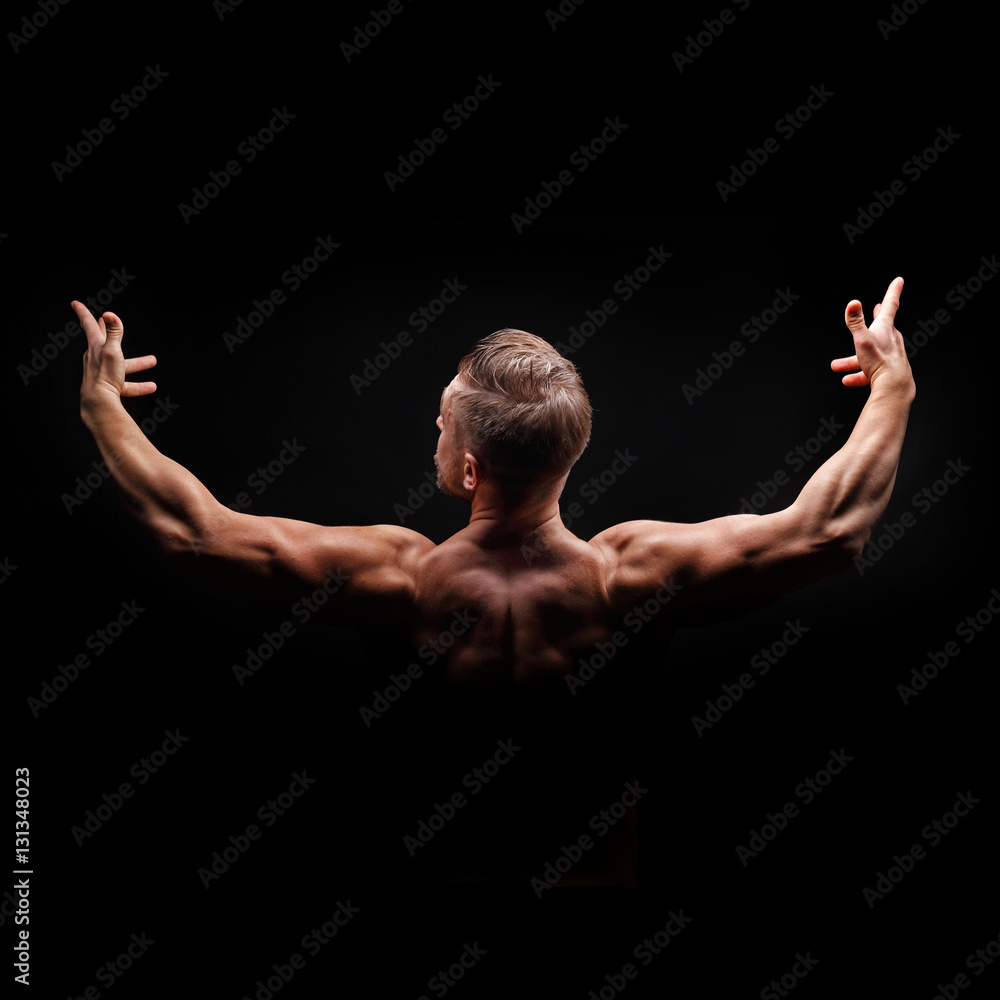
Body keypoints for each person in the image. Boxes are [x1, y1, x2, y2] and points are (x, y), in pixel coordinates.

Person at [72, 275, 915, 893]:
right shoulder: (631, 575)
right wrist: (894, 388)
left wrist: (104, 407)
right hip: (598, 899)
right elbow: (829, 531)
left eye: (440, 423)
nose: (432, 432)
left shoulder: (400, 580)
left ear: (469, 468)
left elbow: (194, 533)